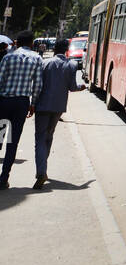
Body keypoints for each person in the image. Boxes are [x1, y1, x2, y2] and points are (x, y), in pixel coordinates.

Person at [33, 38, 83, 189]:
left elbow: (37, 85)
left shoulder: (45, 63)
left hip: (42, 106)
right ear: (67, 50)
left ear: (54, 49)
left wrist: (33, 103)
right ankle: (43, 167)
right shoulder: (71, 65)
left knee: (40, 139)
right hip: (58, 108)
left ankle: (41, 171)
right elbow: (73, 87)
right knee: (49, 136)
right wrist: (81, 87)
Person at [0, 31, 44, 190]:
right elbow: (38, 85)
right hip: (21, 105)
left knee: (0, 137)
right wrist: (33, 104)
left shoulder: (8, 57)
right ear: (32, 43)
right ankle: (3, 179)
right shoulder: (37, 58)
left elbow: (0, 79)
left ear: (17, 42)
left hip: (4, 103)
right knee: (12, 142)